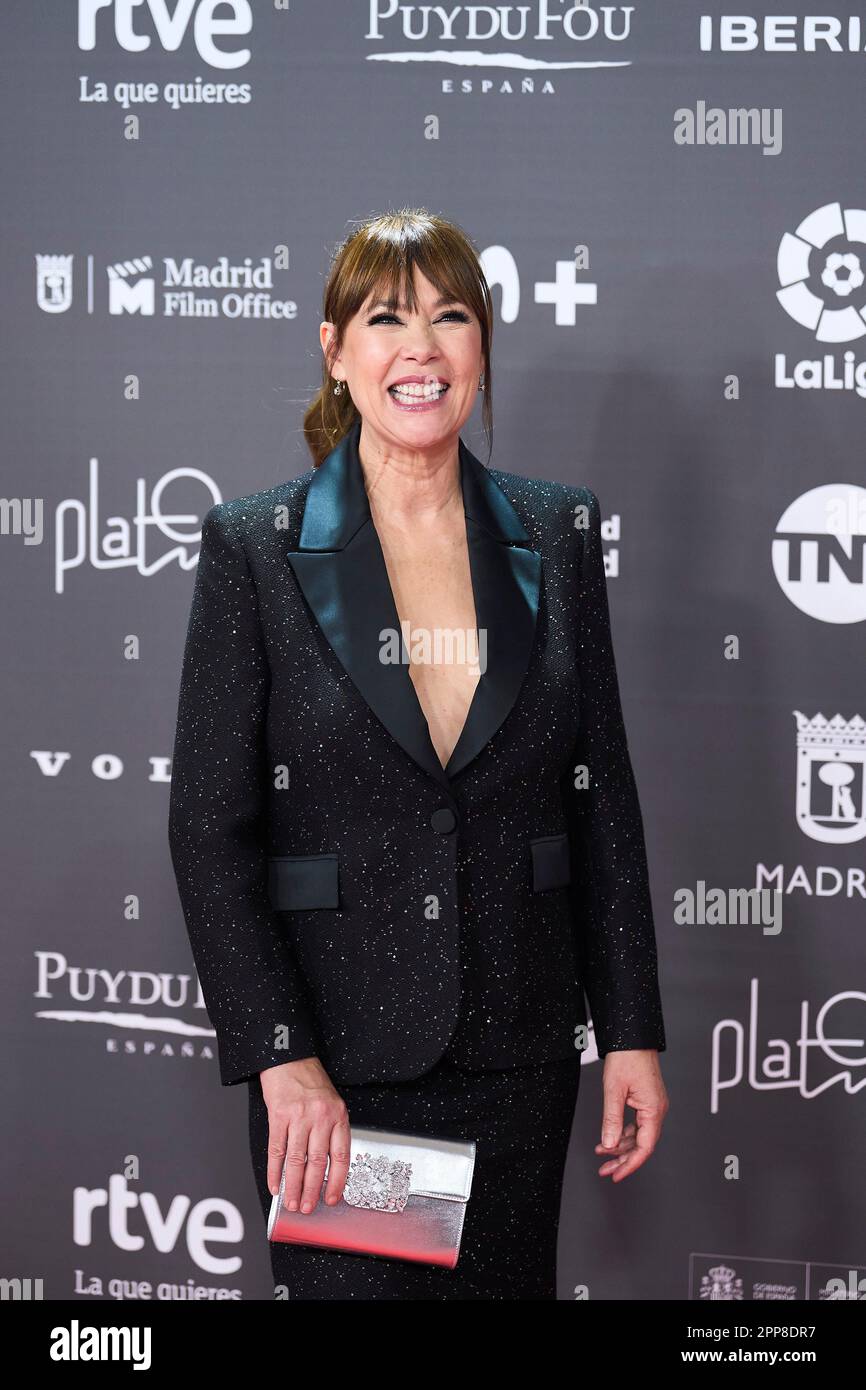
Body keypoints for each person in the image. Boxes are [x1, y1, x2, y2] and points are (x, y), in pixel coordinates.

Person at [168, 207, 669, 1300]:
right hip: (344, 1072)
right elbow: (210, 829)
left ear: (481, 347)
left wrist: (629, 1027)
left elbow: (601, 802)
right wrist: (280, 1056)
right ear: (334, 349)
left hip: (516, 1054)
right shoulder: (257, 547)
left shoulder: (557, 532)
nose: (421, 347)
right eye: (385, 318)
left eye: (450, 316)